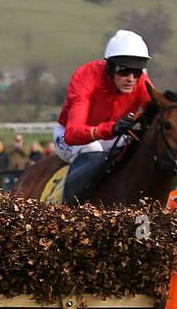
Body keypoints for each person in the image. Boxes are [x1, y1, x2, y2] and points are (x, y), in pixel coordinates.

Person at [54, 29, 155, 203]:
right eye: (123, 71)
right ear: (110, 67)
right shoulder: (87, 77)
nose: (131, 78)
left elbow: (157, 111)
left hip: (112, 134)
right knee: (94, 151)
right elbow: (72, 134)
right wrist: (111, 128)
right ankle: (67, 210)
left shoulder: (141, 81)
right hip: (71, 138)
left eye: (137, 72)